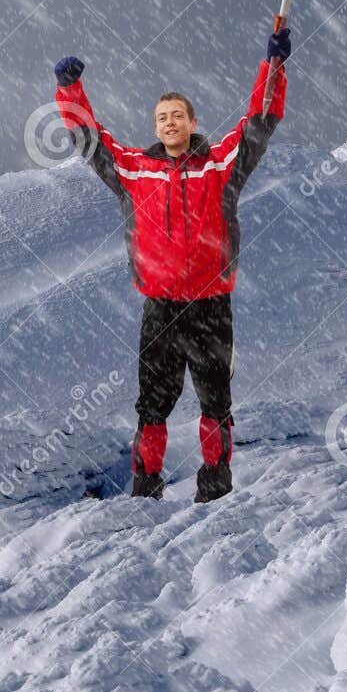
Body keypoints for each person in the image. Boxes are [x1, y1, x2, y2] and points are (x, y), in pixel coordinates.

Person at [51, 28, 291, 502]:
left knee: (215, 403)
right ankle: (146, 491)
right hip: (159, 309)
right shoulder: (134, 170)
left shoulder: (220, 166)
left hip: (210, 307)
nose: (169, 122)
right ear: (155, 127)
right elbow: (90, 140)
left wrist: (274, 67)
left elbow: (259, 123)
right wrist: (70, 91)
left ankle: (215, 490)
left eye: (177, 115)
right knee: (152, 407)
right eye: (162, 117)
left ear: (192, 122)